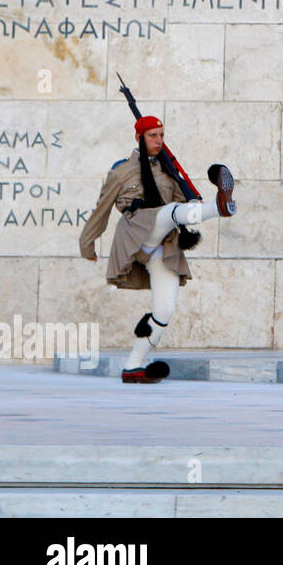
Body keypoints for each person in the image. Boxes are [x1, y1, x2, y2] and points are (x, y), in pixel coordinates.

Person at [79, 115, 236, 383]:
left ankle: (133, 367)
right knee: (169, 213)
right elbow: (101, 209)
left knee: (164, 309)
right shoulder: (121, 171)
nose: (159, 141)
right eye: (153, 136)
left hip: (163, 243)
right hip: (136, 231)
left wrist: (192, 201)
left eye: (161, 136)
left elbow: (181, 203)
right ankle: (219, 207)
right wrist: (87, 243)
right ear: (139, 137)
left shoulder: (166, 171)